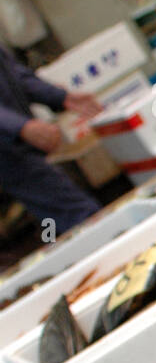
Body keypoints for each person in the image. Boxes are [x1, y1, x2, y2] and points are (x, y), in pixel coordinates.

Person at [0, 44, 103, 235]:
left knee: (76, 214)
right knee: (80, 215)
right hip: (8, 152)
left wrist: (60, 97)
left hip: (17, 147)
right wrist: (18, 127)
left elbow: (11, 73)